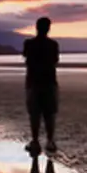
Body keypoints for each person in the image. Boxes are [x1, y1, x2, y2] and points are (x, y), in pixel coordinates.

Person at [23, 16, 59, 156]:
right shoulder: (53, 44)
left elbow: (27, 60)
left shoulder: (29, 44)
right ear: (48, 28)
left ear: (36, 27)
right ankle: (49, 141)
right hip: (49, 82)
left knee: (35, 114)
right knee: (49, 114)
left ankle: (35, 141)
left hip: (33, 82)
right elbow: (55, 61)